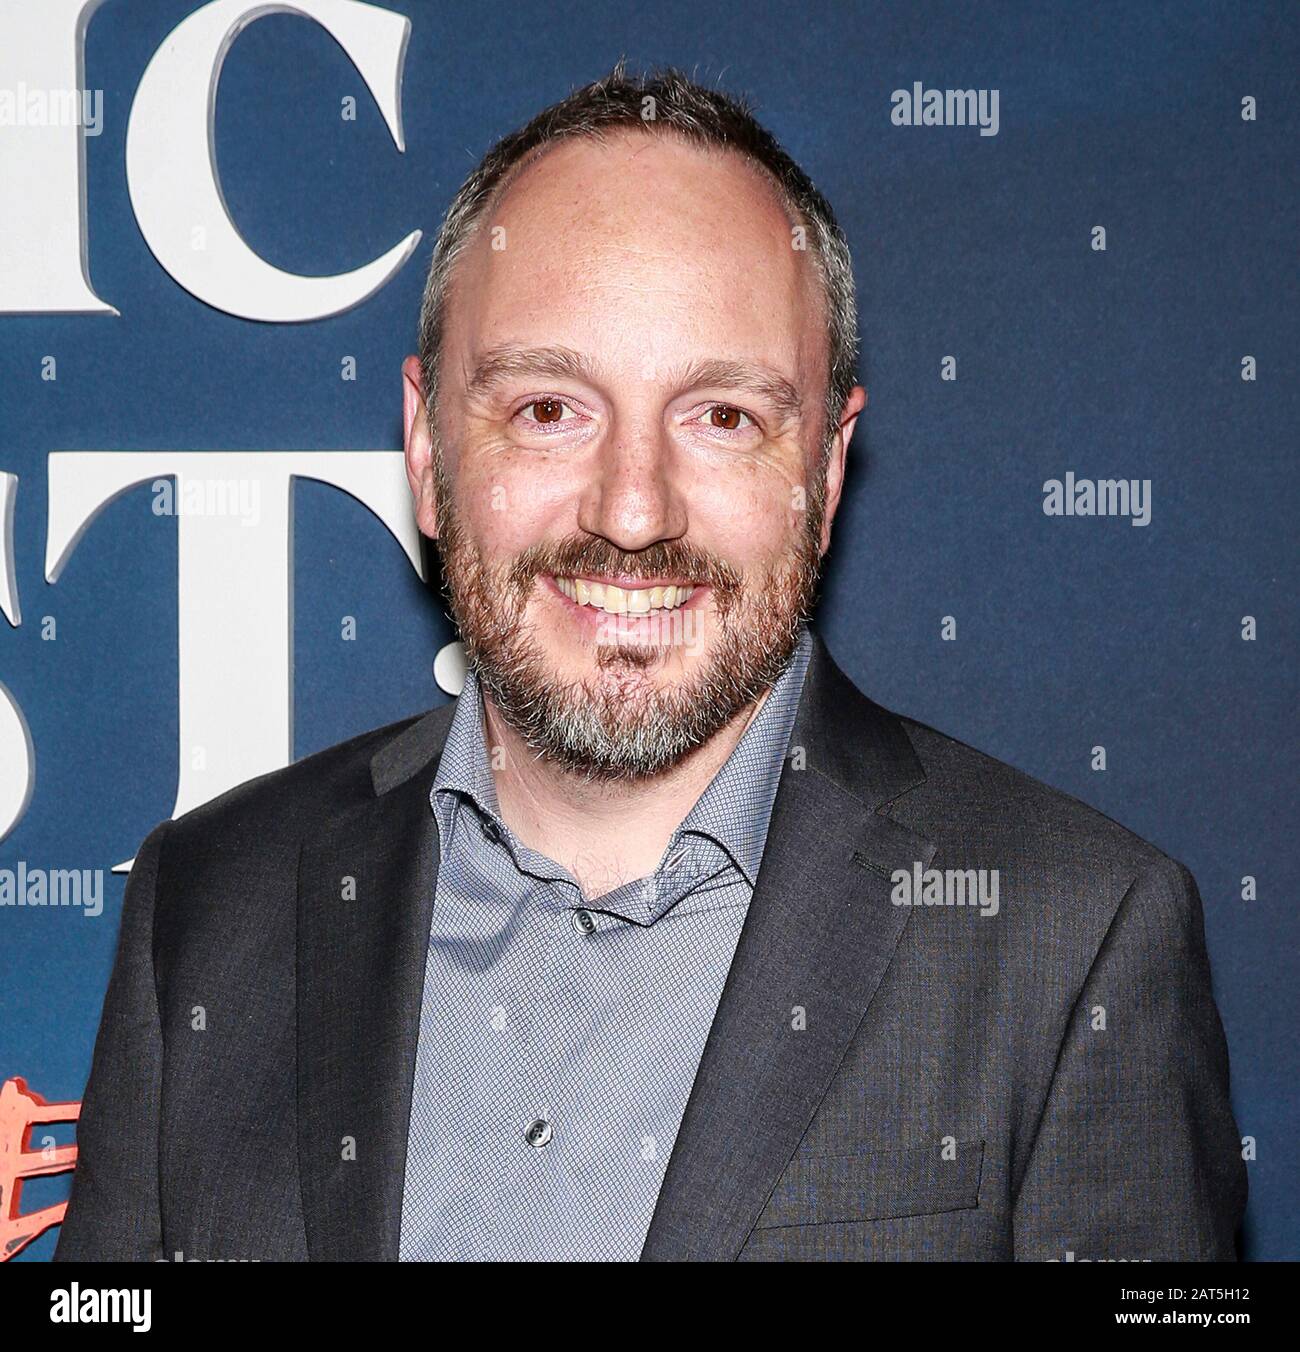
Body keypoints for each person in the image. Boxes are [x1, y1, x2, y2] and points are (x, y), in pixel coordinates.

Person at [56, 61, 1245, 1263]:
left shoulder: (1070, 934)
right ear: (425, 448)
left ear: (824, 473)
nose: (632, 511)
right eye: (547, 409)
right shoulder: (207, 906)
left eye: (722, 416)